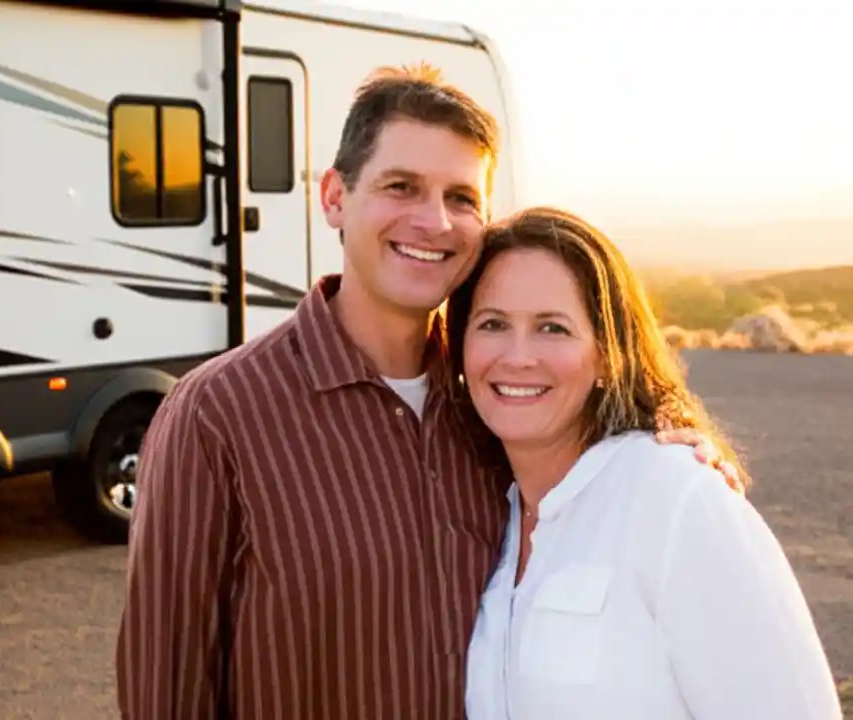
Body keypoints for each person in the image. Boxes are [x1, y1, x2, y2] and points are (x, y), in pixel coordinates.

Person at [114, 64, 739, 720]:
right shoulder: (216, 415)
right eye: (401, 187)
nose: (434, 221)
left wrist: (672, 442)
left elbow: (606, 462)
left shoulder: (497, 404)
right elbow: (168, 692)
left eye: (462, 198)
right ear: (334, 197)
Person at [449, 207, 843, 719]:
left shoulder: (676, 498)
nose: (518, 355)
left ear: (608, 355)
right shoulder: (484, 514)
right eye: (493, 324)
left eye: (553, 328)